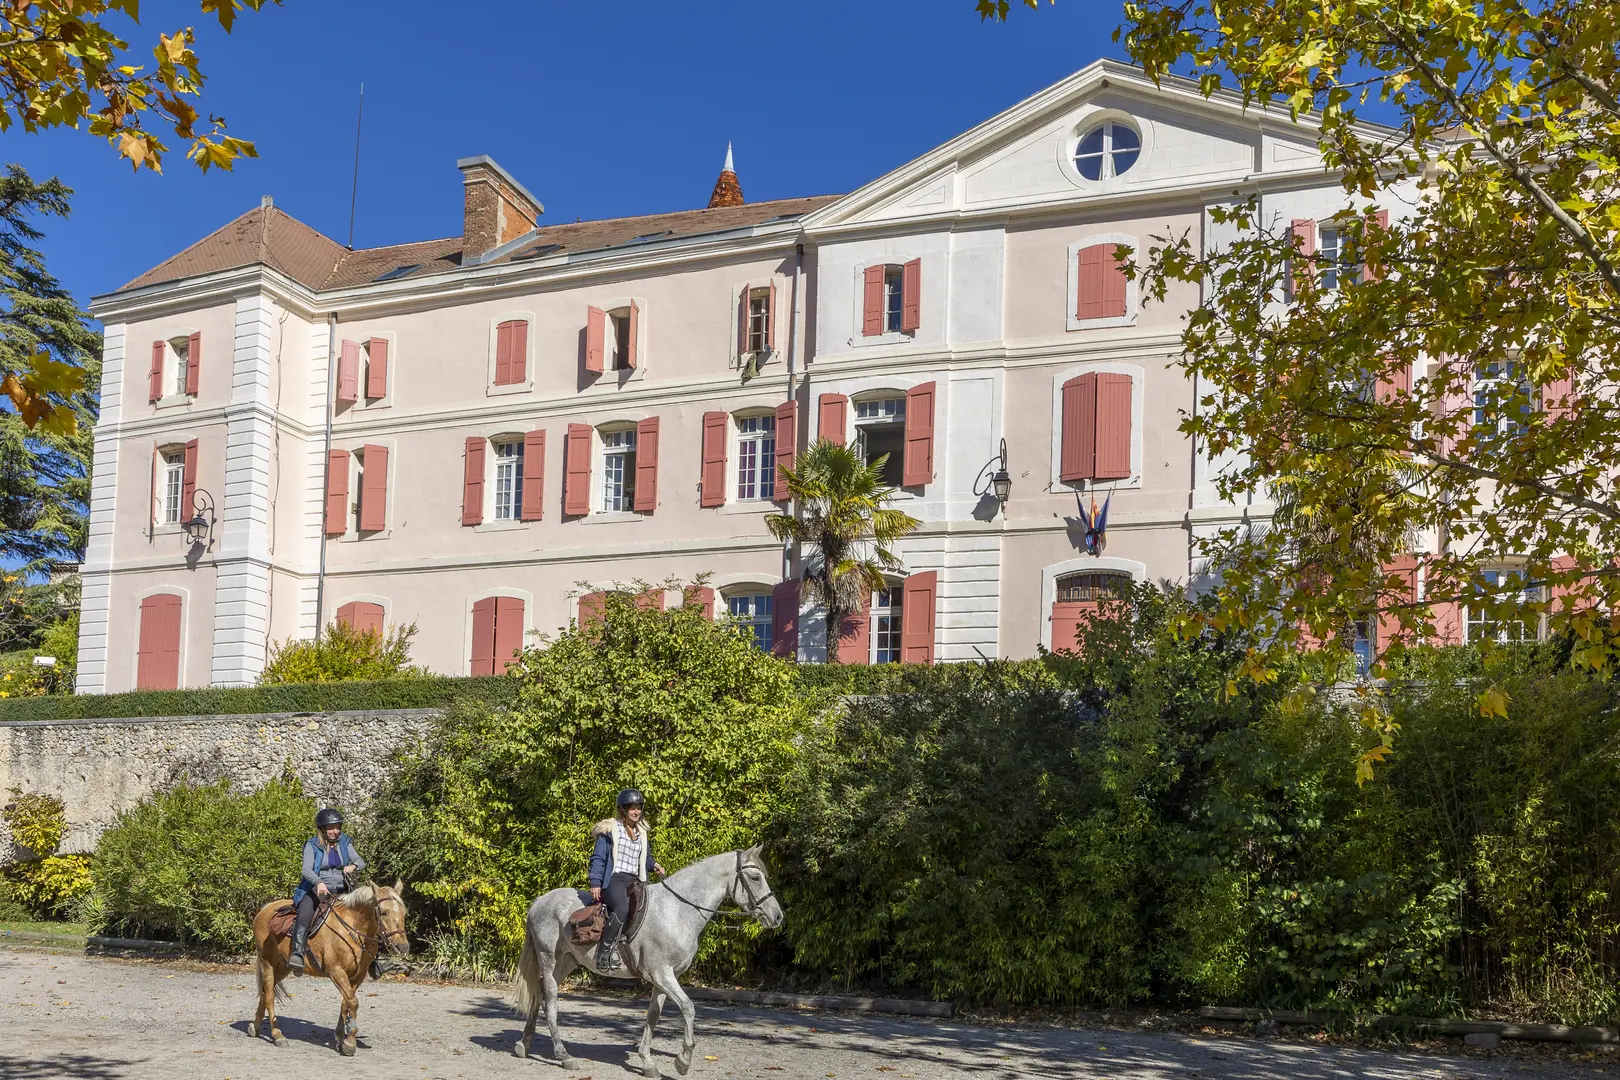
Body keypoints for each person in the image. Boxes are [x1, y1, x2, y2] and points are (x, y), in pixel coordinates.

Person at [587, 789, 665, 972]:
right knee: (621, 909)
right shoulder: (610, 830)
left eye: (638, 808)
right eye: (632, 808)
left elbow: (645, 858)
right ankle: (604, 952)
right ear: (623, 809)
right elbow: (598, 857)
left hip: (635, 881)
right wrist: (595, 882)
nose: (636, 812)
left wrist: (654, 865)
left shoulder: (641, 832)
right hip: (615, 879)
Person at [289, 807, 366, 973]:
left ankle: (373, 959)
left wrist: (353, 866)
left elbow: (360, 861)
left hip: (342, 890)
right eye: (331, 828)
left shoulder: (345, 842)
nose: (335, 831)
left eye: (337, 827)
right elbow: (306, 870)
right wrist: (318, 882)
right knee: (304, 914)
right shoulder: (312, 845)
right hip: (317, 891)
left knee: (367, 912)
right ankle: (297, 953)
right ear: (322, 829)